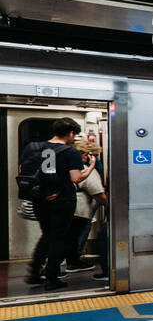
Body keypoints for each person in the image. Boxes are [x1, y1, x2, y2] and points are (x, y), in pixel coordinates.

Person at [27, 118, 96, 290]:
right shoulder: (70, 152)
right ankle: (52, 278)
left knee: (47, 235)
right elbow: (76, 178)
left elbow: (25, 171)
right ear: (71, 133)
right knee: (59, 238)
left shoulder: (33, 148)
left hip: (40, 200)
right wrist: (91, 167)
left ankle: (35, 272)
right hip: (62, 200)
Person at [68, 140, 106, 271]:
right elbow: (98, 193)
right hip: (80, 208)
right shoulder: (86, 170)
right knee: (79, 233)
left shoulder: (67, 166)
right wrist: (110, 205)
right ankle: (73, 261)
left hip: (68, 207)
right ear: (85, 155)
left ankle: (65, 261)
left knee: (68, 236)